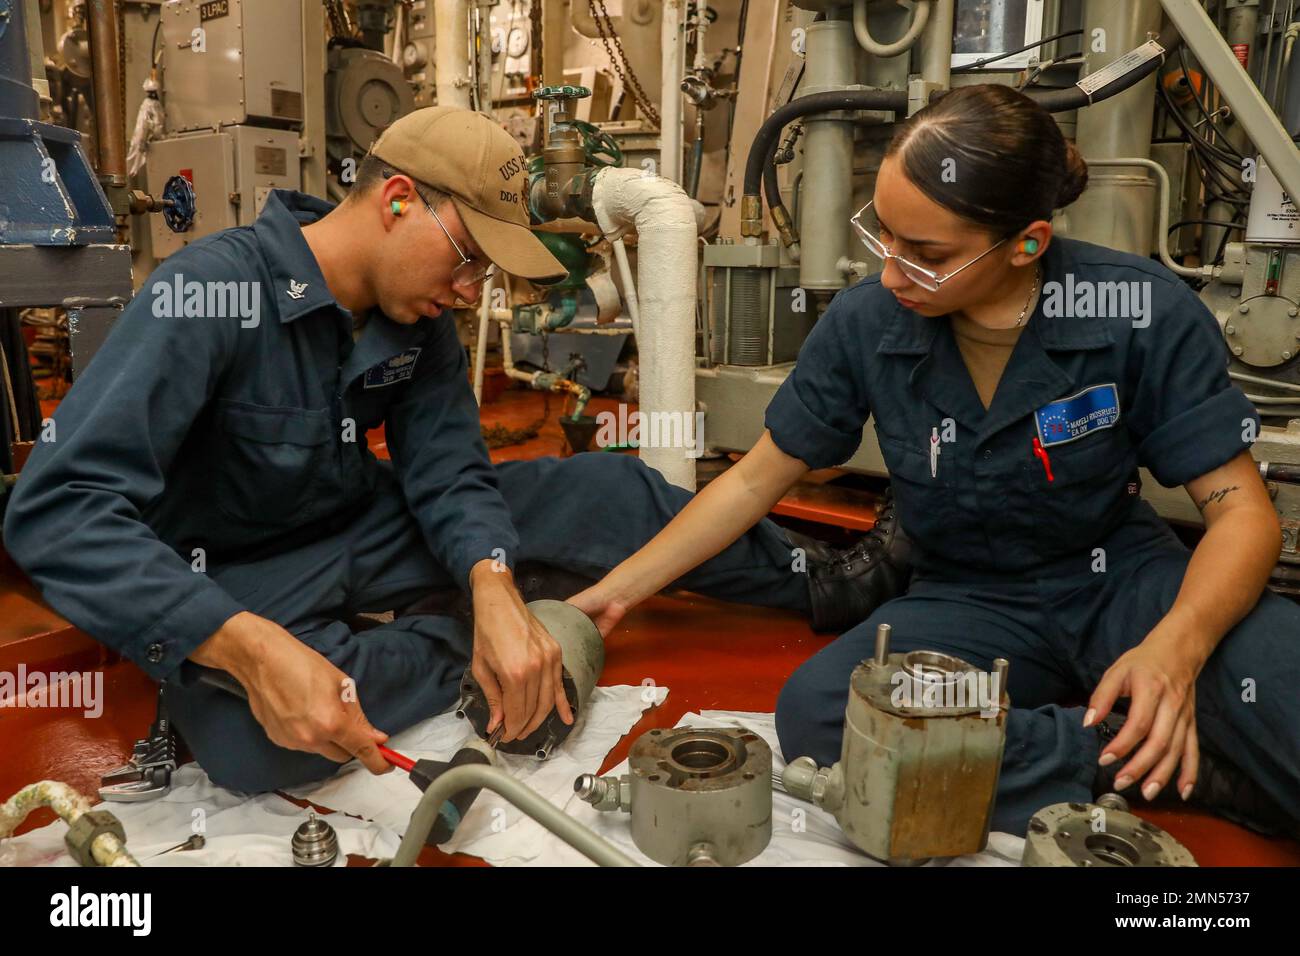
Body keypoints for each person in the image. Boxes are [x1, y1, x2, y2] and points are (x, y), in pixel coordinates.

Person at [3, 105, 899, 793]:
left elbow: (447, 465)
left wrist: (491, 577)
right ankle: (501, 637)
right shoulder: (206, 295)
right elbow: (56, 509)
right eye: (469, 260)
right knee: (250, 745)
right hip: (235, 577)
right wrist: (243, 647)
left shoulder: (412, 312)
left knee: (611, 492)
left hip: (365, 526)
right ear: (398, 202)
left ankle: (824, 580)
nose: (472, 293)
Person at [570, 84, 1300, 838]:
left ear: (1028, 244)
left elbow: (1242, 512)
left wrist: (1176, 649)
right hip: (968, 602)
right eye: (884, 237)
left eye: (927, 255)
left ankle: (1119, 733)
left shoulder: (1137, 309)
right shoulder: (866, 322)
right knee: (825, 718)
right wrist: (614, 593)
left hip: (1123, 581)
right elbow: (757, 477)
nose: (892, 274)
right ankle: (1168, 766)